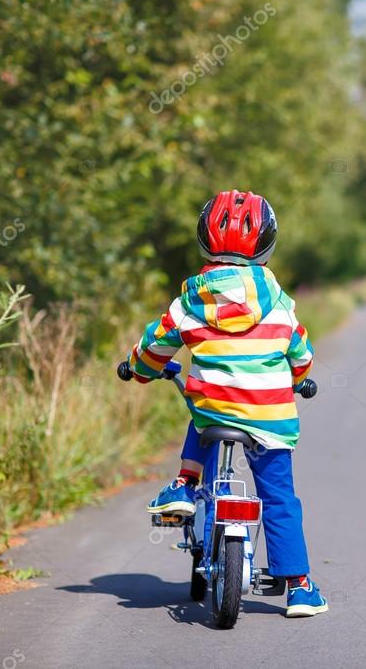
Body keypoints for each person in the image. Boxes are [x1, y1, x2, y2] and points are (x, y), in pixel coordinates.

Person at [124, 189, 327, 618]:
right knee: (280, 499)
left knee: (203, 411)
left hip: (214, 412)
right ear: (267, 245)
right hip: (270, 419)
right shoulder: (280, 305)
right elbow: (301, 355)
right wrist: (299, 379)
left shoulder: (189, 302)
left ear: (204, 240)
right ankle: (300, 588)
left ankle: (185, 484)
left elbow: (154, 347)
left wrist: (138, 368)